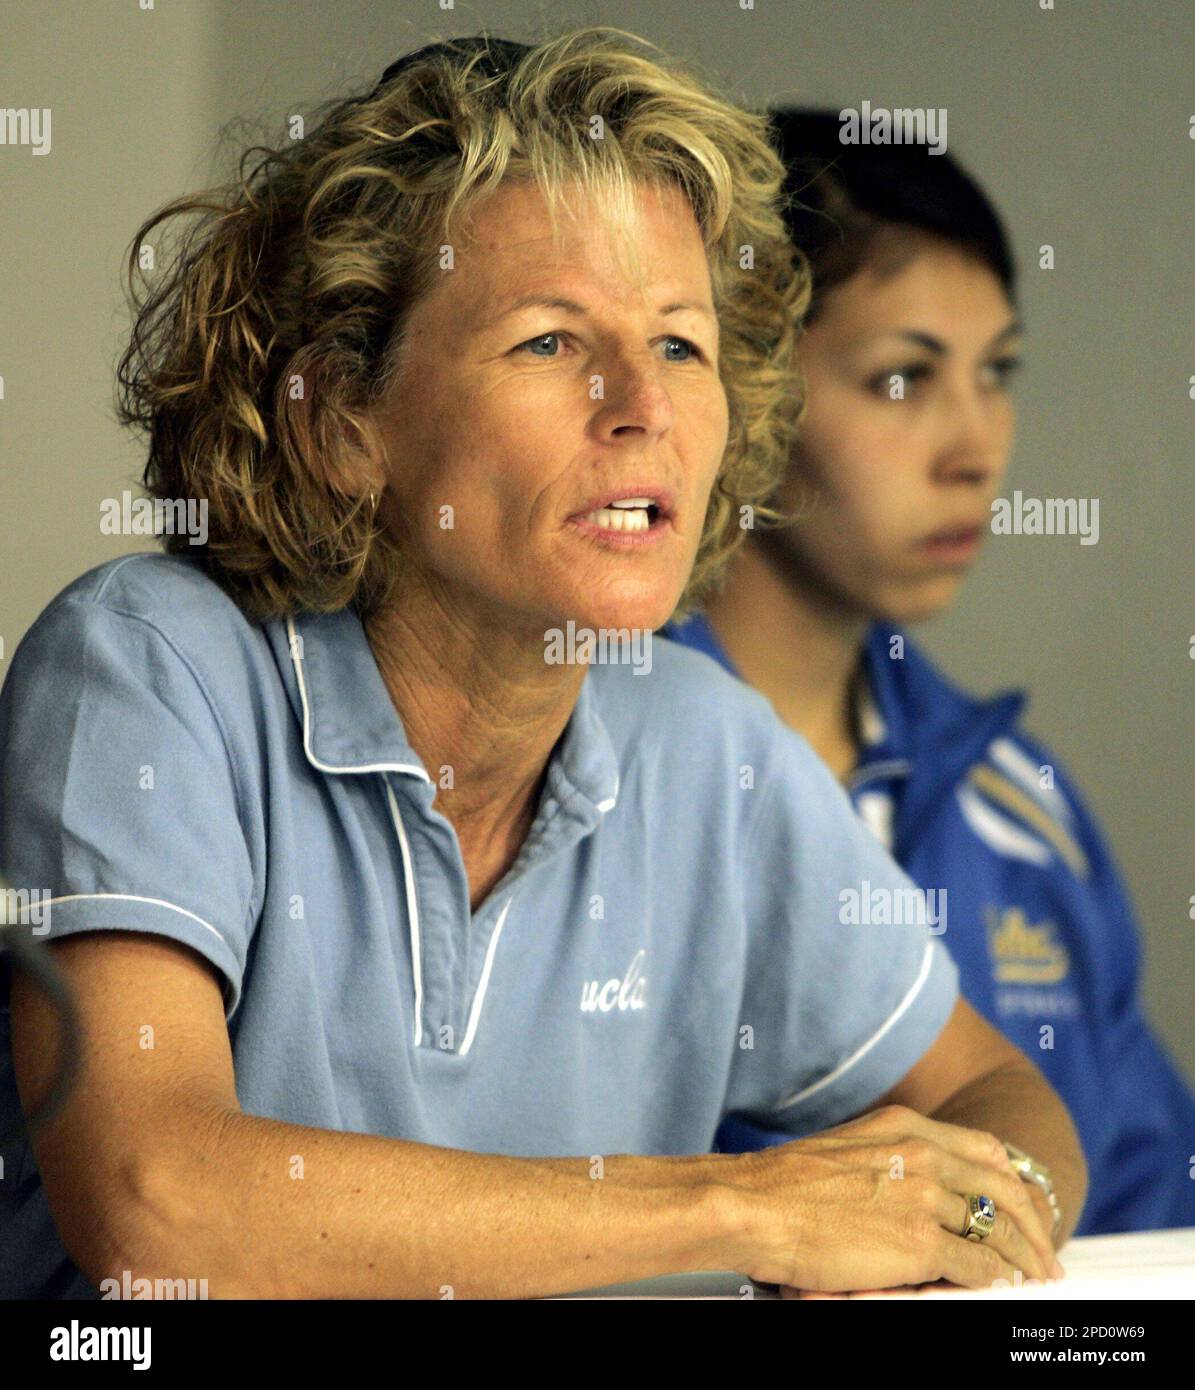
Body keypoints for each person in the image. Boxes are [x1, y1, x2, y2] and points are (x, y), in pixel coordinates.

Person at [0, 31, 1082, 1301]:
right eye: (552, 342)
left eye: (680, 344)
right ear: (343, 418)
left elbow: (1000, 1096)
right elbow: (158, 1207)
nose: (644, 405)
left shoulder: (701, 743)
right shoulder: (145, 665)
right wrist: (749, 1207)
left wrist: (953, 1224)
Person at [664, 107, 1195, 1236]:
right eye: (904, 379)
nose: (977, 447)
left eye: (996, 372)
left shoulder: (1023, 814)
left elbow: (1151, 1233)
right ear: (743, 388)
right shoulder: (562, 764)